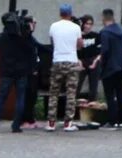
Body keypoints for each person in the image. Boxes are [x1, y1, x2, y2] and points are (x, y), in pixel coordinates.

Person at [0, 11, 38, 133]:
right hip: (21, 71)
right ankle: (16, 125)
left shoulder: (0, 38)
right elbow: (31, 48)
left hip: (7, 71)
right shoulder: (22, 38)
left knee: (1, 98)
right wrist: (27, 31)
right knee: (20, 98)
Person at [47, 3, 83, 131]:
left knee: (54, 92)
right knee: (71, 93)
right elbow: (80, 45)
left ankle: (51, 122)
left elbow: (52, 42)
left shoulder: (53, 26)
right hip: (71, 61)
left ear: (60, 13)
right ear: (70, 14)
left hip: (57, 61)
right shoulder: (76, 27)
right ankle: (68, 123)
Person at [93, 8, 122, 128]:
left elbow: (105, 50)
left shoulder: (105, 33)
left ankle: (112, 120)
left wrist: (102, 65)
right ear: (113, 17)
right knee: (120, 93)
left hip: (110, 67)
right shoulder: (121, 31)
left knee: (109, 95)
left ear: (104, 18)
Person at [77, 15, 102, 100]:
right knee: (76, 85)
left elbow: (101, 51)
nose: (89, 26)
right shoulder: (78, 36)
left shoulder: (96, 36)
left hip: (93, 60)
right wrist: (78, 61)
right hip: (81, 61)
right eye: (87, 24)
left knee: (93, 87)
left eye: (91, 24)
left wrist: (96, 61)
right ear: (83, 24)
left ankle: (91, 103)